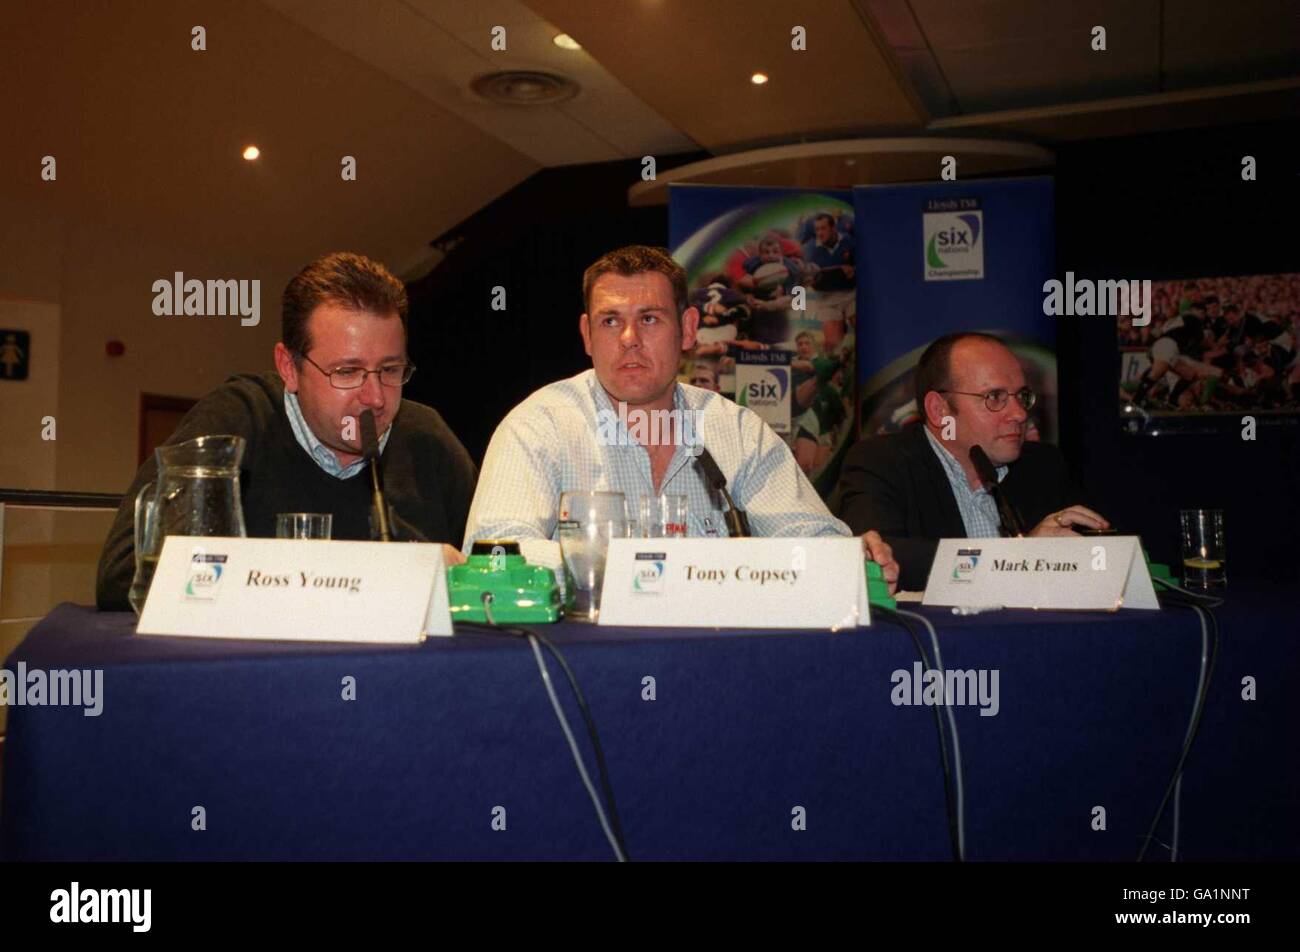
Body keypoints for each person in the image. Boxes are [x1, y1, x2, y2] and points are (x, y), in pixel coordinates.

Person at [462, 244, 899, 591]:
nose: (629, 339)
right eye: (610, 321)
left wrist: (850, 556)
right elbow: (495, 557)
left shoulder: (738, 432)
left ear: (689, 329)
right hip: (585, 668)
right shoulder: (539, 427)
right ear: (586, 335)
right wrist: (634, 567)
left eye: (649, 318)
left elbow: (812, 541)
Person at [96, 251, 476, 609]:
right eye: (347, 372)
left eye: (390, 370)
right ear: (289, 368)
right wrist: (391, 574)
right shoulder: (237, 423)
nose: (375, 397)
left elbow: (497, 579)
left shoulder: (428, 439)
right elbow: (124, 577)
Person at [835, 332, 1107, 591]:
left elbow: (1100, 558)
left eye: (1022, 397)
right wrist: (1020, 558)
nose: (1019, 414)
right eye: (995, 397)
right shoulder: (881, 462)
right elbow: (881, 556)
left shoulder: (1043, 464)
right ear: (940, 411)